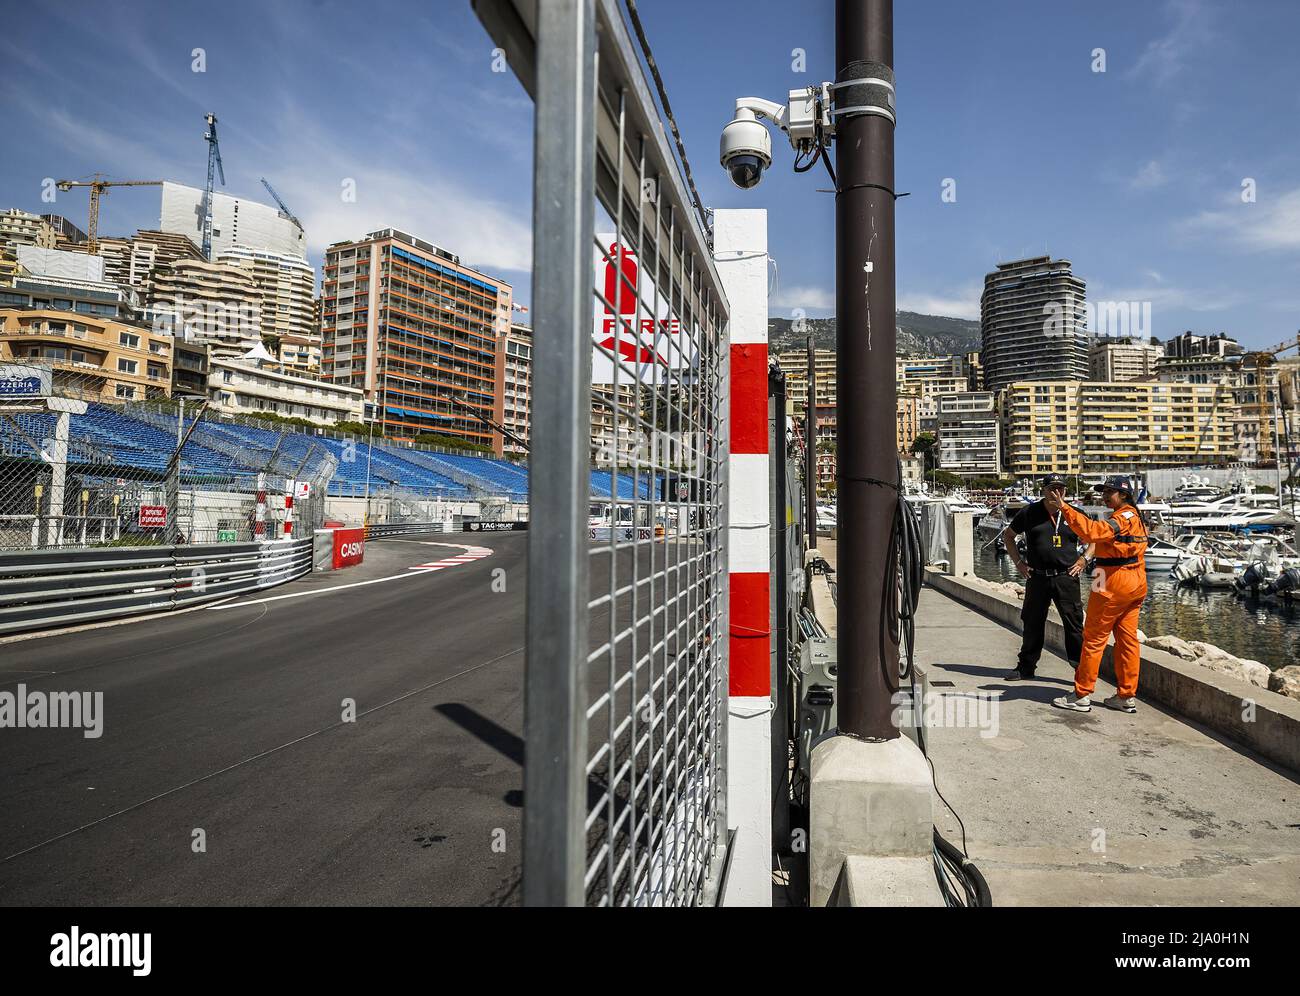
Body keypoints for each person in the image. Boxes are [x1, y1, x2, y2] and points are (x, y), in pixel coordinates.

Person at [1046, 476, 1150, 714]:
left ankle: (1081, 694)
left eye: (1109, 492)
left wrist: (1064, 507)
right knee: (1127, 640)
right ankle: (1126, 696)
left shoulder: (1121, 518)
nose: (1104, 496)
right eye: (1103, 491)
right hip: (1136, 579)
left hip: (1111, 580)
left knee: (1093, 638)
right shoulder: (1137, 517)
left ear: (1123, 495)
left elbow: (1093, 532)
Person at [1001, 474, 1086, 681]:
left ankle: (1081, 671)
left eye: (1061, 489)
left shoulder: (1074, 513)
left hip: (1066, 576)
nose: (1057, 493)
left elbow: (1094, 538)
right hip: (1037, 576)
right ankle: (1026, 667)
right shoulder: (1030, 512)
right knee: (1032, 622)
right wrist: (1018, 563)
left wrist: (1085, 559)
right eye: (1052, 489)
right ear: (1044, 490)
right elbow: (1009, 536)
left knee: (1073, 624)